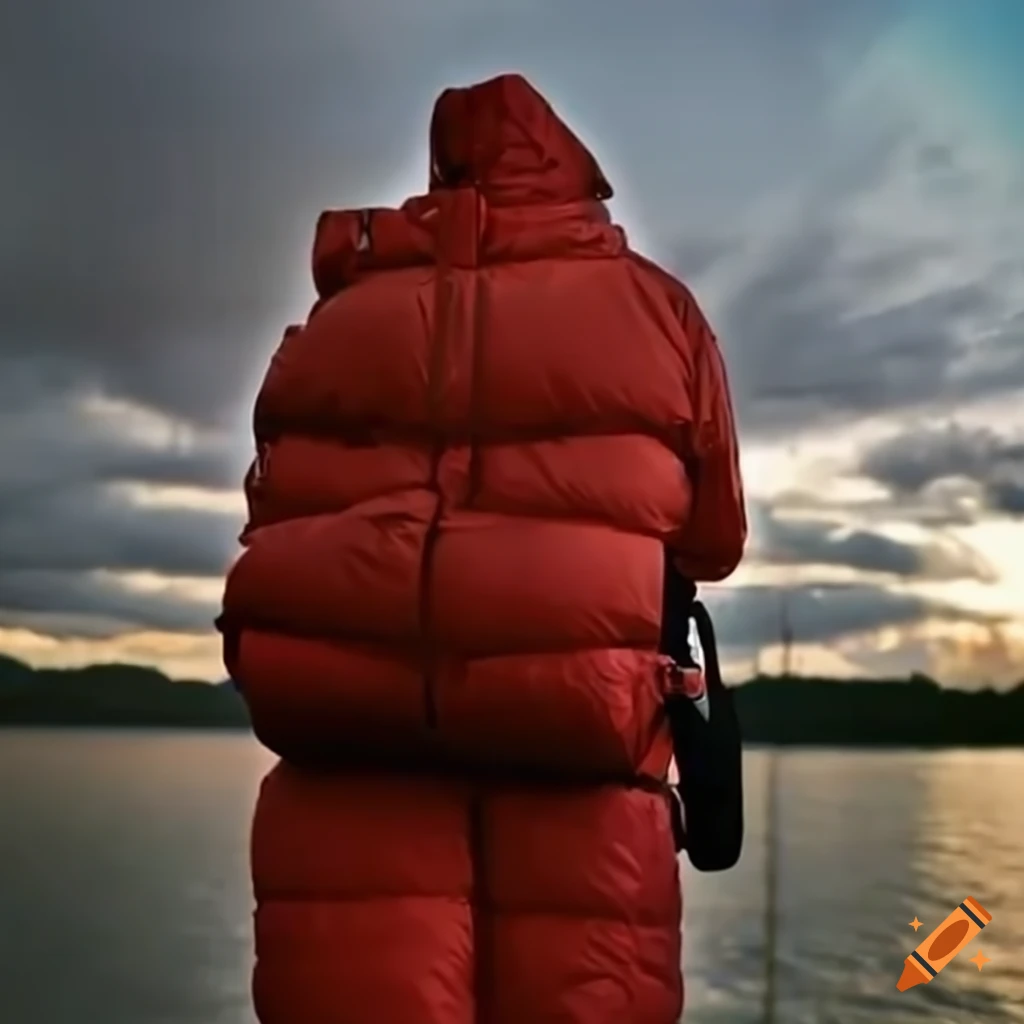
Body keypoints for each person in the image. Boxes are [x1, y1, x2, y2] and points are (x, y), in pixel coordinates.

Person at [218, 72, 746, 1024]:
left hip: (349, 765)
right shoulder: (662, 314)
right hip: (584, 772)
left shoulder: (336, 319)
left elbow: (275, 512)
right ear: (574, 175)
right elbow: (714, 542)